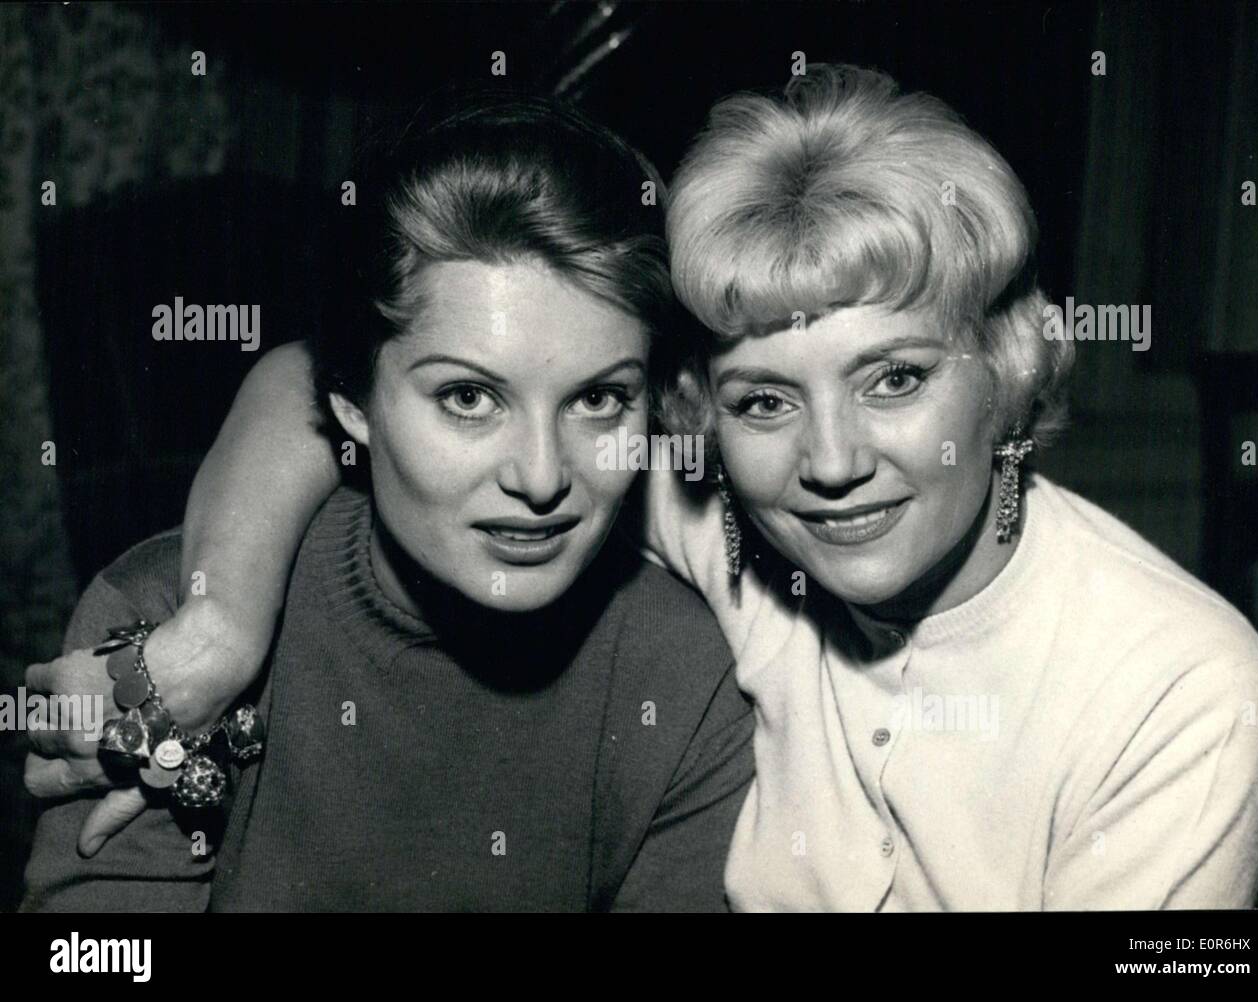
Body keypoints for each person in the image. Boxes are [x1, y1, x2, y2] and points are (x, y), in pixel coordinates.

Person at [29, 66, 1258, 911]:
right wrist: (214, 623)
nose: (831, 460)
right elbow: (320, 374)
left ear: (1008, 368)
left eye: (895, 379)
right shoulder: (681, 496)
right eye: (762, 399)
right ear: (694, 417)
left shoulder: (1183, 690)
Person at [21, 95, 754, 912]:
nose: (543, 478)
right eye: (470, 398)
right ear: (351, 406)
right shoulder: (160, 626)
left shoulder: (689, 683)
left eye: (597, 400)